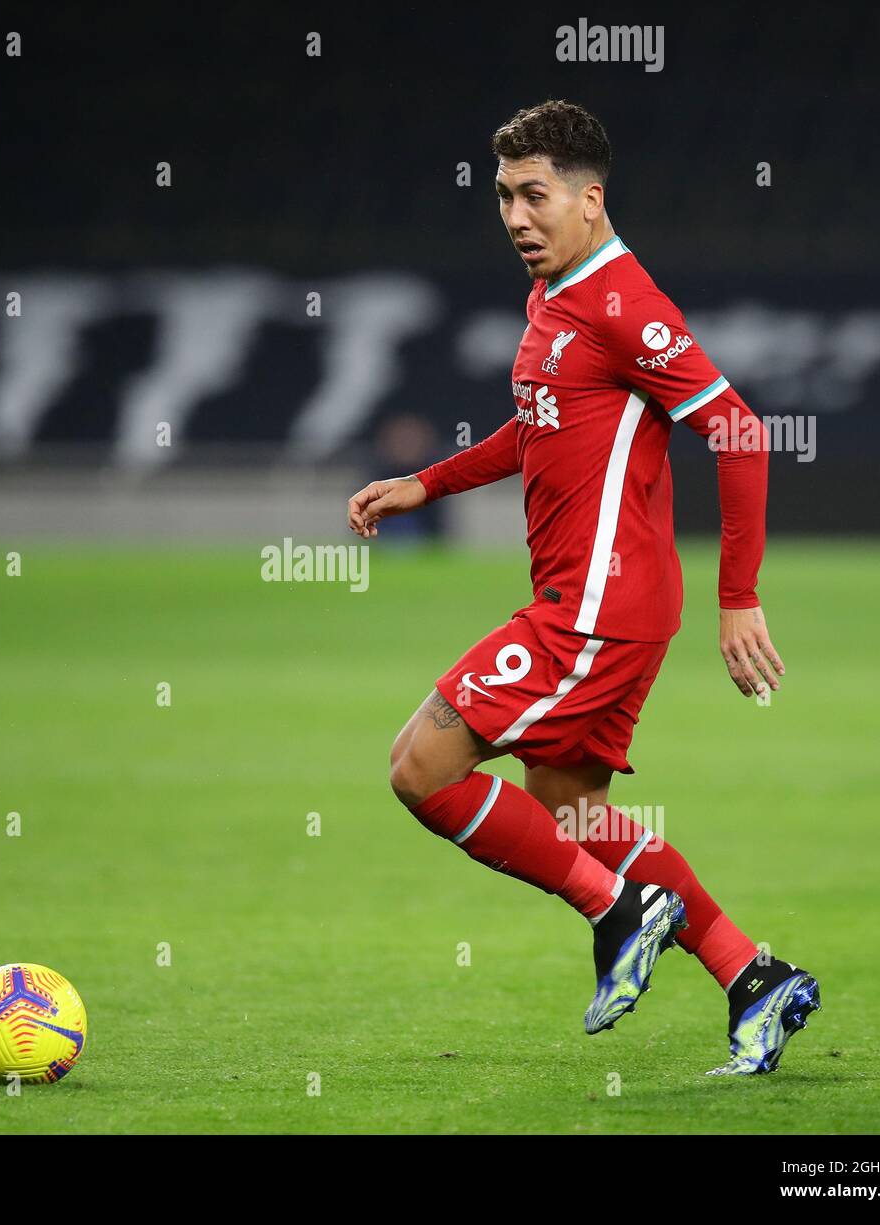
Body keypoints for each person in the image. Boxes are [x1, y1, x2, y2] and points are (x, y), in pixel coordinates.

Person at [346, 100, 819, 1075]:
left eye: (535, 195)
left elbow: (737, 430)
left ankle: (619, 910)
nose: (516, 217)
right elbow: (535, 425)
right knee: (571, 813)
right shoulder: (554, 297)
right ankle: (751, 976)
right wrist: (426, 482)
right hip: (594, 607)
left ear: (588, 200)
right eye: (503, 197)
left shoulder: (622, 304)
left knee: (420, 769)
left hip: (598, 611)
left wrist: (741, 595)